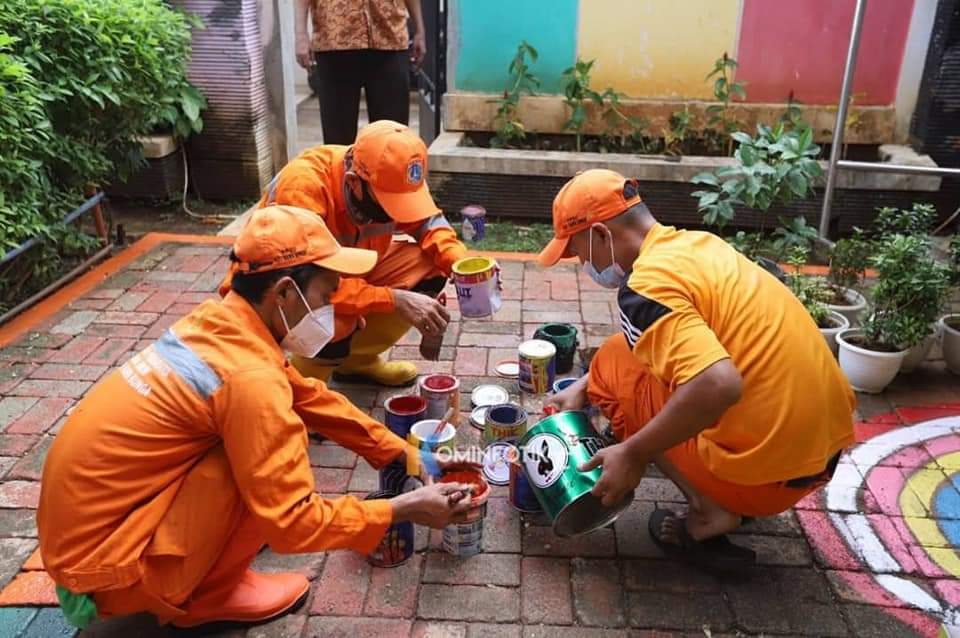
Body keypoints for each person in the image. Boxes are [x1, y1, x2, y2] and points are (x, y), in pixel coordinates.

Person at [38, 206, 475, 631]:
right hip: (103, 576)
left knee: (264, 441)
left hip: (82, 546)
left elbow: (311, 397)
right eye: (327, 295)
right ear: (285, 292)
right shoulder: (250, 379)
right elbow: (294, 524)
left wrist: (406, 457)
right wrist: (401, 509)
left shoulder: (223, 324)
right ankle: (209, 597)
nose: (332, 308)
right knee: (271, 453)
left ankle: (201, 570)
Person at [541, 169, 855, 570]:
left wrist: (634, 453)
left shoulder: (644, 288)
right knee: (617, 355)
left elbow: (718, 384)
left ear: (601, 235)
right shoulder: (697, 245)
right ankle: (729, 485)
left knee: (614, 374)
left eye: (581, 254)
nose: (584, 265)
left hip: (766, 479)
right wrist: (584, 385)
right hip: (819, 456)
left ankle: (708, 511)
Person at [226, 120, 467, 387]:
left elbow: (429, 223)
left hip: (347, 270)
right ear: (354, 183)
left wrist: (463, 265)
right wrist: (393, 299)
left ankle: (356, 364)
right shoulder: (303, 188)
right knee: (336, 321)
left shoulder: (388, 174)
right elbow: (304, 287)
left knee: (429, 264)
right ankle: (300, 388)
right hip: (292, 291)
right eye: (390, 203)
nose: (399, 213)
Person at [294, 0, 426, 144]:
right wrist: (301, 34)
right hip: (335, 40)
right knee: (338, 142)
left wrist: (420, 29)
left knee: (392, 140)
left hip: (389, 36)